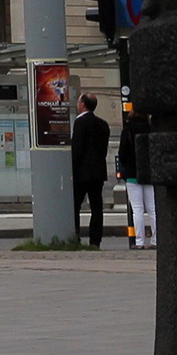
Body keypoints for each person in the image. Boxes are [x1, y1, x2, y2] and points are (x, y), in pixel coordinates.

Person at [72, 92, 113, 247]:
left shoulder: (80, 123)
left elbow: (77, 149)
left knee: (75, 206)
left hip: (82, 172)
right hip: (98, 172)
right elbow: (103, 149)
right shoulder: (103, 124)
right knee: (96, 207)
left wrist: (73, 168)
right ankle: (95, 240)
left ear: (83, 105)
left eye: (78, 102)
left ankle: (75, 237)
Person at [119, 99, 157, 249]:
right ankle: (155, 240)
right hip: (148, 172)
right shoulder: (150, 129)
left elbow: (122, 153)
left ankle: (140, 241)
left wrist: (127, 165)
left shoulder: (127, 130)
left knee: (137, 209)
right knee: (152, 208)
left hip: (132, 173)